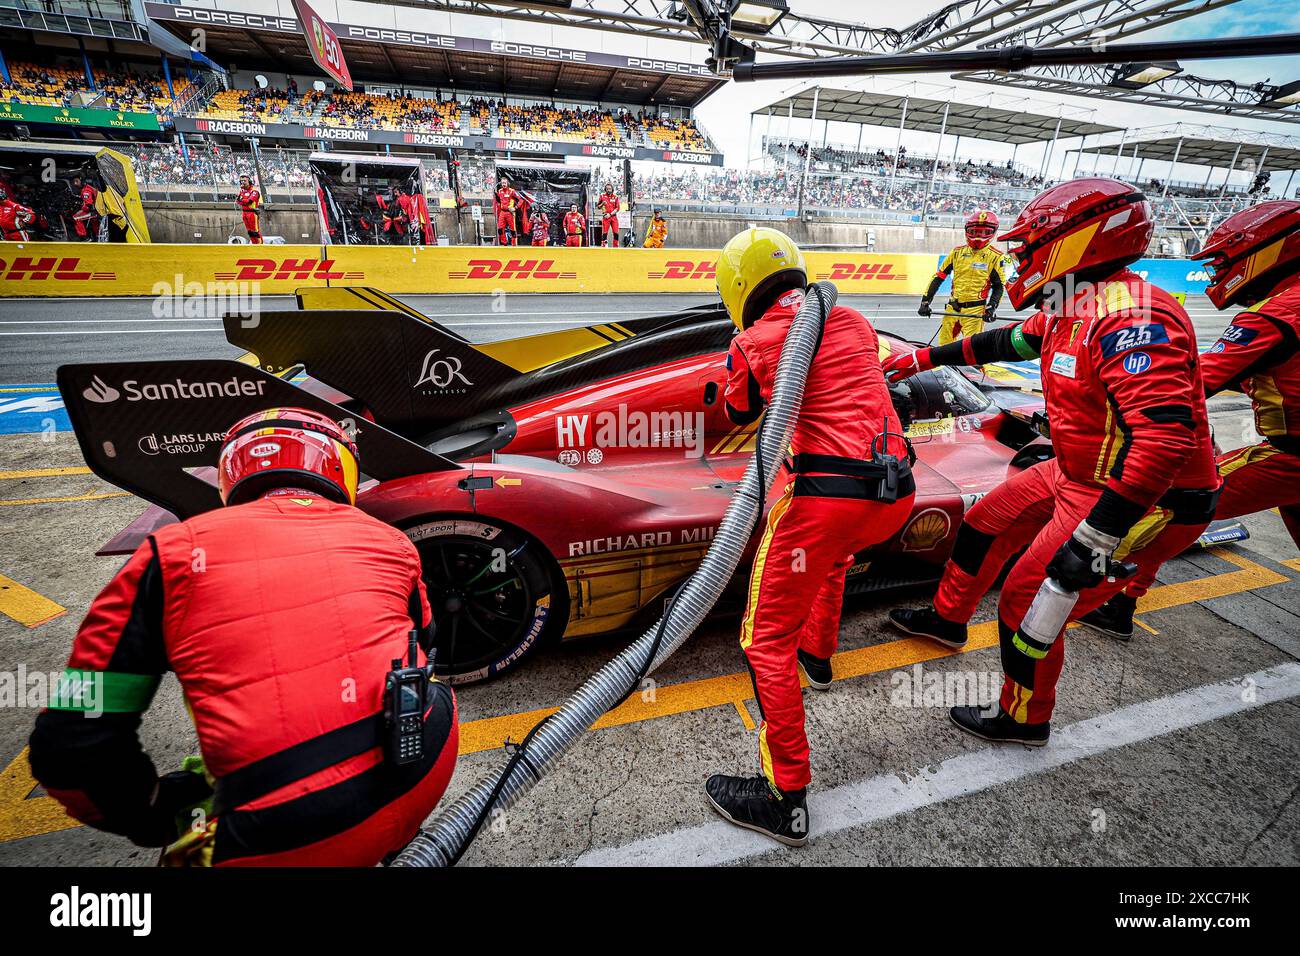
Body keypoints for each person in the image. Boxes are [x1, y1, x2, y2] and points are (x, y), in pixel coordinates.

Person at [29, 408, 458, 866]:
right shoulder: (390, 541)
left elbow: (71, 747)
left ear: (230, 474)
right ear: (342, 468)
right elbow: (423, 642)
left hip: (280, 838)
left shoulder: (170, 554)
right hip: (424, 764)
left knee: (185, 849)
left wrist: (156, 815)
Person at [883, 178, 1220, 744]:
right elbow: (1003, 345)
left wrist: (1095, 540)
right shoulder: (1076, 301)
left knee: (1025, 599)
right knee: (986, 520)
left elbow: (1164, 441)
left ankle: (1024, 718)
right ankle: (948, 620)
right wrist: (921, 357)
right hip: (1080, 470)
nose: (1019, 255)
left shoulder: (1133, 314)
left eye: (1031, 242)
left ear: (1079, 241)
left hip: (1137, 493)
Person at [705, 227, 916, 846]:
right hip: (895, 492)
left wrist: (735, 352)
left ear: (737, 288)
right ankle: (818, 660)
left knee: (761, 641)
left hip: (827, 499)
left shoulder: (755, 338)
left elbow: (738, 415)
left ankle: (785, 796)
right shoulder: (848, 316)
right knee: (828, 562)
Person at [1080, 199, 1300, 641]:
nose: (1218, 271)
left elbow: (1190, 385)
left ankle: (1115, 604)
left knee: (1170, 508)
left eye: (1224, 259)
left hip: (1291, 458)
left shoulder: (1276, 313)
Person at [919, 209, 1006, 344]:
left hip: (975, 312)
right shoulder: (956, 252)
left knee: (971, 349)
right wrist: (925, 301)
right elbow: (939, 277)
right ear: (967, 230)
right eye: (975, 231)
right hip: (952, 309)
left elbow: (999, 286)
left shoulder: (996, 256)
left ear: (993, 232)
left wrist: (991, 307)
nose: (978, 235)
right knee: (943, 347)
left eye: (984, 232)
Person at [70, 175, 100, 242]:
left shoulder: (86, 190)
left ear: (82, 181)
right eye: (74, 182)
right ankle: (98, 236)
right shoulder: (89, 188)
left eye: (76, 181)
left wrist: (81, 210)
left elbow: (89, 205)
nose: (75, 184)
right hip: (98, 210)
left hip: (93, 211)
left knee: (75, 218)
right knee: (94, 222)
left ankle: (84, 237)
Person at [236, 174, 262, 244]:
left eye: (244, 181)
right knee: (249, 231)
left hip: (252, 213)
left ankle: (260, 245)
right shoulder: (242, 191)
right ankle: (254, 244)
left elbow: (249, 202)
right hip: (244, 212)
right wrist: (243, 200)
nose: (242, 183)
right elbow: (237, 201)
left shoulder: (254, 191)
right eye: (241, 181)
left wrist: (242, 199)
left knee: (255, 231)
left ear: (249, 181)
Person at [493, 175, 519, 246]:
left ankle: (514, 244)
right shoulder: (500, 191)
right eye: (502, 183)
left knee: (512, 230)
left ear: (507, 183)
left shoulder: (512, 191)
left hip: (510, 213)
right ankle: (504, 243)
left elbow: (520, 200)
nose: (503, 184)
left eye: (505, 183)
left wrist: (515, 208)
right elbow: (499, 201)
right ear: (501, 184)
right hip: (502, 212)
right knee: (500, 229)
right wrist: (496, 194)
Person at [597, 182, 620, 247]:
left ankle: (615, 246)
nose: (608, 190)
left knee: (616, 232)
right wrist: (602, 204)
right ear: (605, 189)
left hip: (613, 217)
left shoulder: (615, 197)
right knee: (604, 233)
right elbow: (598, 207)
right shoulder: (602, 196)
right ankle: (603, 245)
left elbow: (617, 208)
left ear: (612, 189)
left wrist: (610, 214)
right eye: (607, 189)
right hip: (605, 217)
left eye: (610, 189)